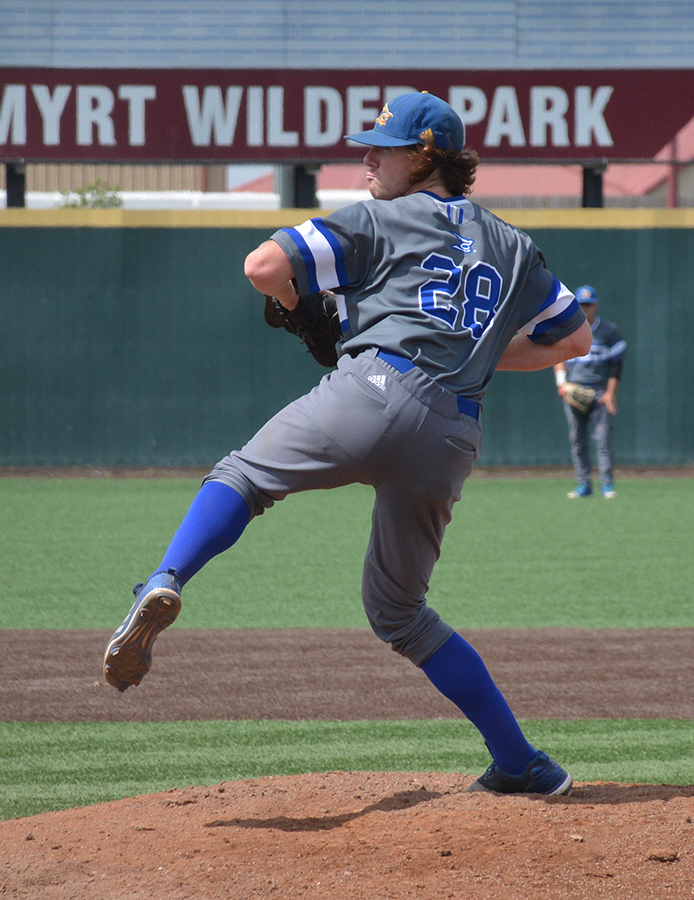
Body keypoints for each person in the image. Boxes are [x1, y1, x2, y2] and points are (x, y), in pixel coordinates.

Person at [102, 92, 591, 795]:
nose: (365, 158)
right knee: (400, 613)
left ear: (425, 157)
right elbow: (571, 340)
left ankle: (165, 580)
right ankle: (520, 762)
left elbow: (263, 266)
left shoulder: (379, 217)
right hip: (452, 432)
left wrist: (307, 309)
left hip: (371, 391)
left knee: (242, 476)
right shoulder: (516, 246)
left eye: (380, 148)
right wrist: (479, 356)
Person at [553, 285, 625, 499]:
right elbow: (557, 358)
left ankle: (607, 485)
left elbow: (617, 364)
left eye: (588, 304)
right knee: (577, 439)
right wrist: (562, 383)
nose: (585, 308)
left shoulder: (609, 331)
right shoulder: (566, 329)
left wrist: (611, 393)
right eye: (581, 304)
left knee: (602, 439)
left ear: (596, 305)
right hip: (574, 389)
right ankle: (583, 484)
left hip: (599, 391)